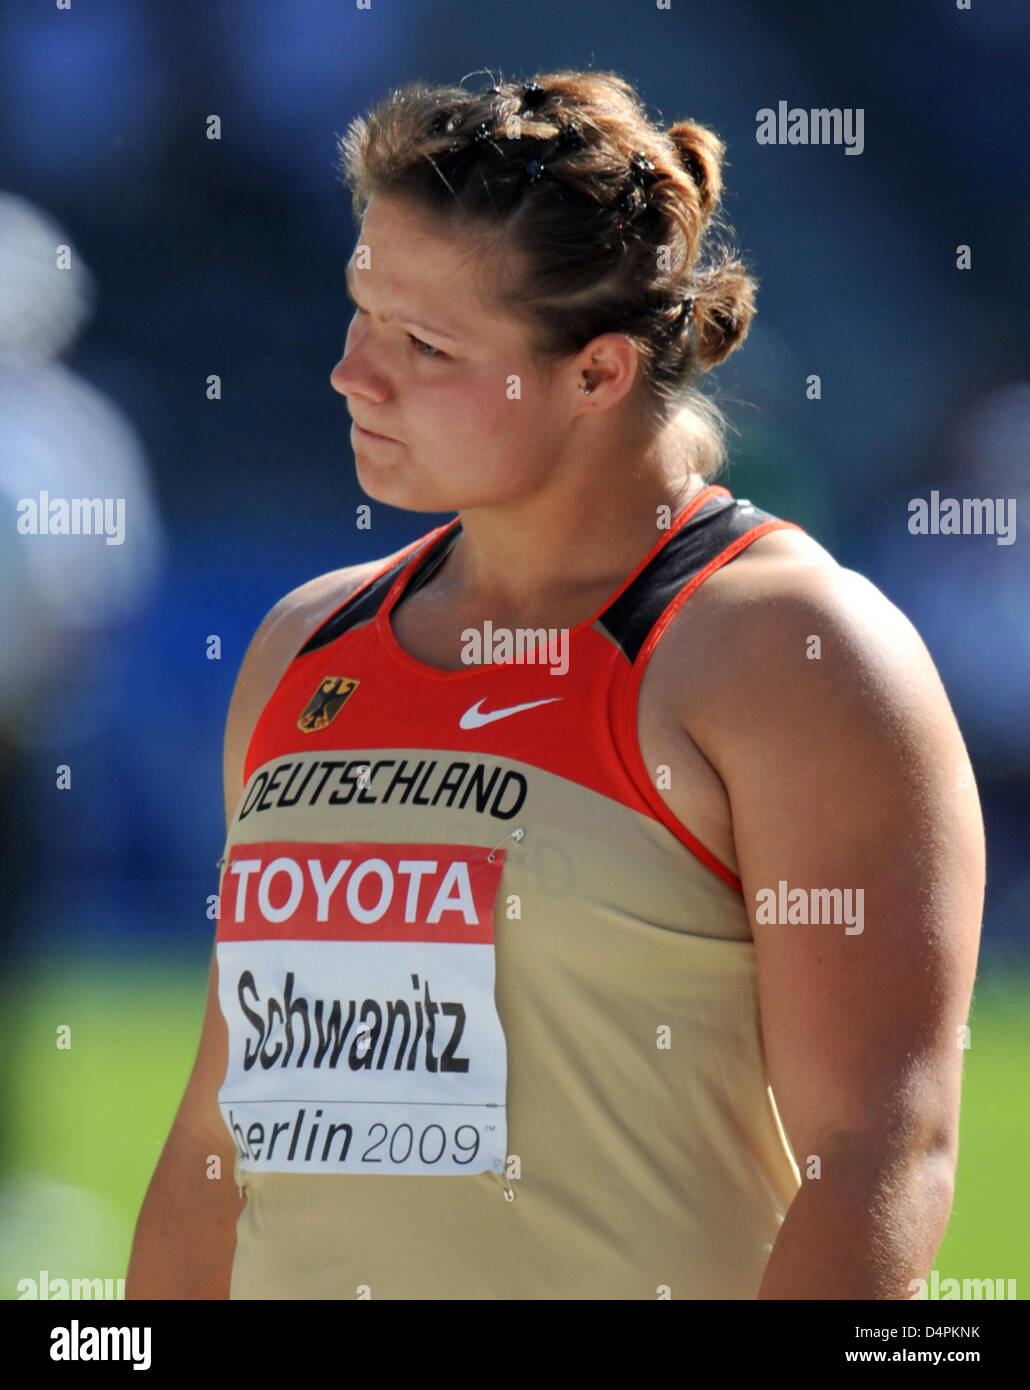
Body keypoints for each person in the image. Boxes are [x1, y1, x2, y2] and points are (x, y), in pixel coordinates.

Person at [127, 70, 984, 1300]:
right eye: (362, 313)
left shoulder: (786, 650)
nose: (352, 377)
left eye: (426, 346)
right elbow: (222, 1135)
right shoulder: (304, 644)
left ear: (596, 375)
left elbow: (878, 1155)